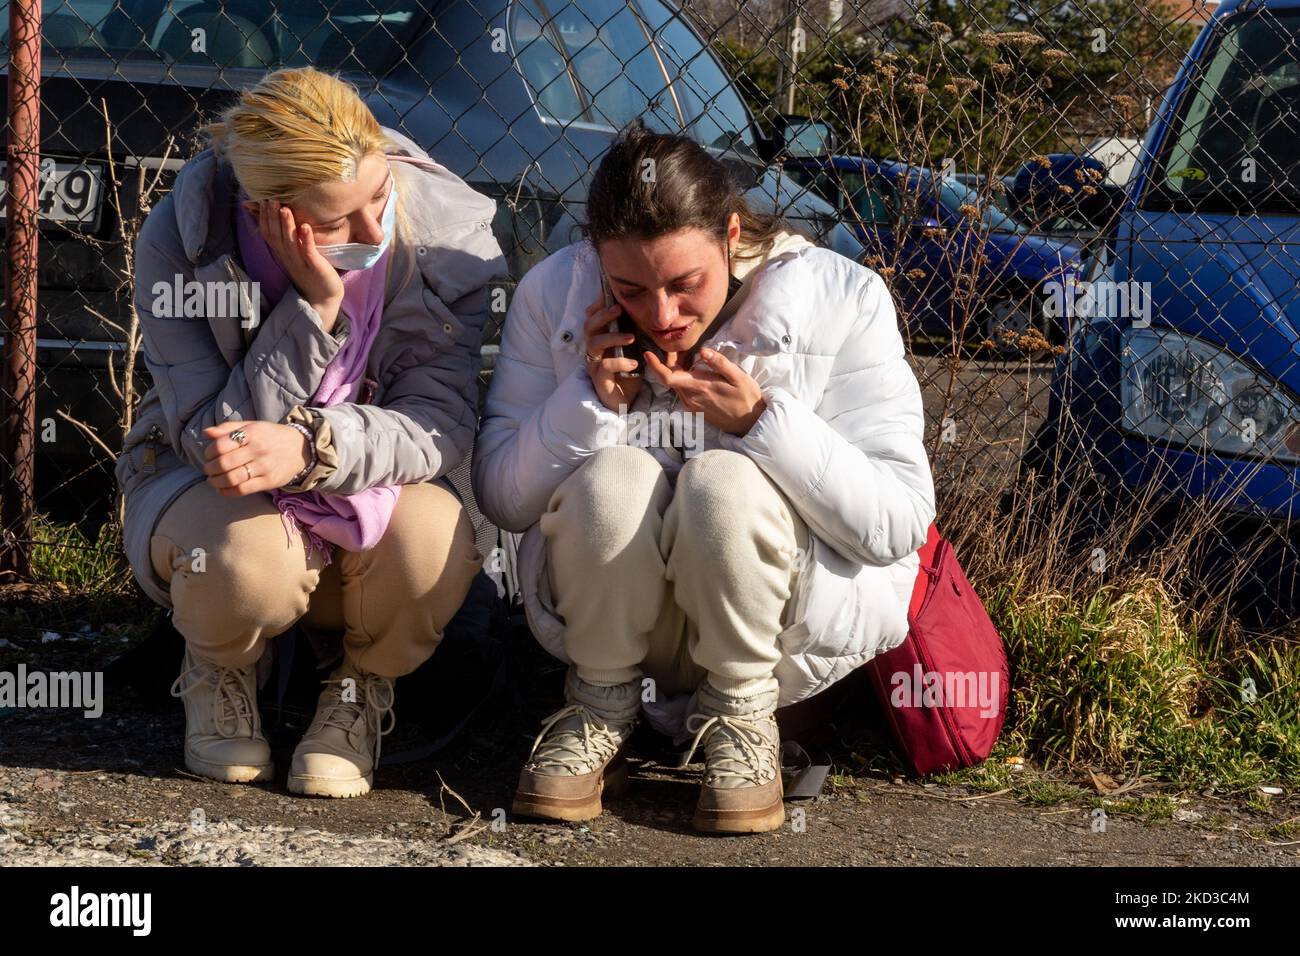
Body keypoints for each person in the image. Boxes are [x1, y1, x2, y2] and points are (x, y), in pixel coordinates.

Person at [473, 127, 936, 834]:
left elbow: (898, 523)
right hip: (618, 636)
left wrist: (761, 422)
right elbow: (503, 498)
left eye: (686, 285)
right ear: (597, 260)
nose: (661, 316)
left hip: (780, 627)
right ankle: (598, 705)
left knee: (725, 482)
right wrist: (589, 404)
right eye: (629, 288)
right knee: (613, 479)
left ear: (731, 232)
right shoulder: (553, 296)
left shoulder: (842, 297)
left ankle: (744, 718)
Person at [115, 68, 503, 797]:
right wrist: (313, 312)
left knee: (431, 547)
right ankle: (218, 666)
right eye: (335, 222)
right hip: (210, 485)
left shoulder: (445, 236)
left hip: (376, 478)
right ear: (268, 212)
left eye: (378, 197)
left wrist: (314, 446)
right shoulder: (184, 235)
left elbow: (440, 421)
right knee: (236, 560)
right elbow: (211, 442)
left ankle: (358, 692)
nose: (370, 231)